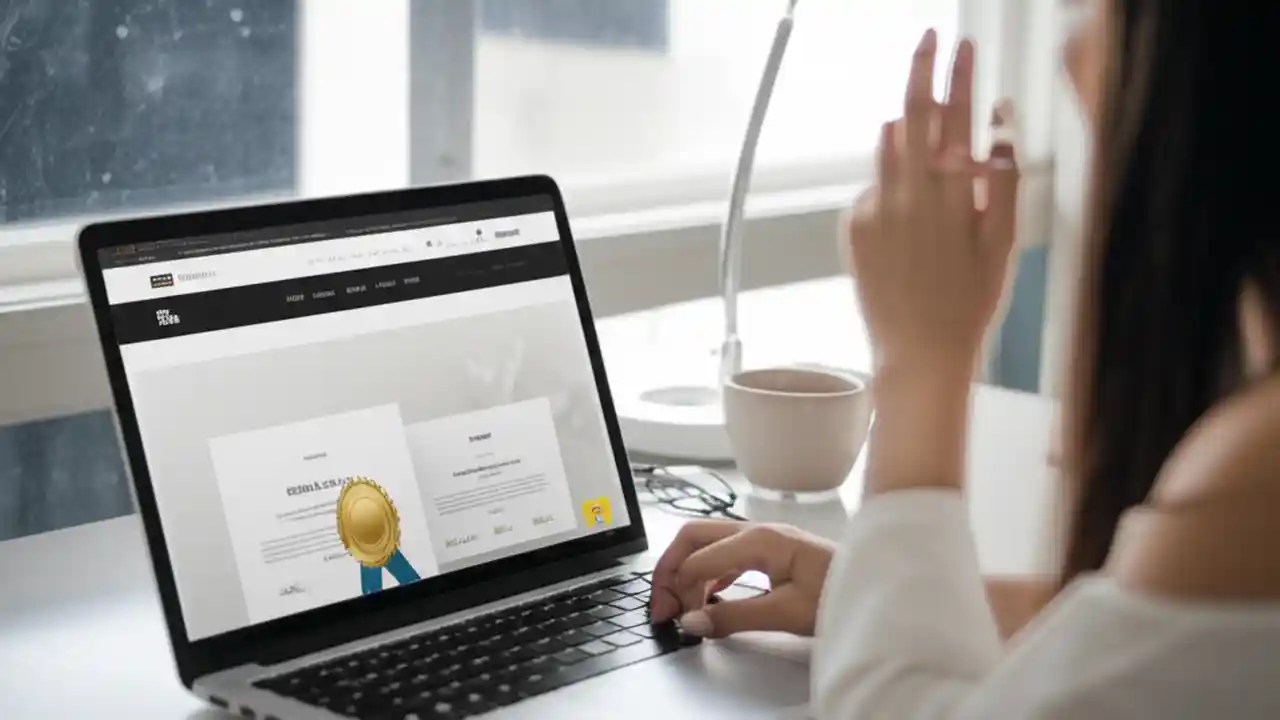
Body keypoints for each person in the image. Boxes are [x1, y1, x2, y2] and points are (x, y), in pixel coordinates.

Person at [650, 1, 1280, 717]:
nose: (1070, 52)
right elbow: (1158, 655)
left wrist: (921, 362)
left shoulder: (1259, 475)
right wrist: (869, 593)